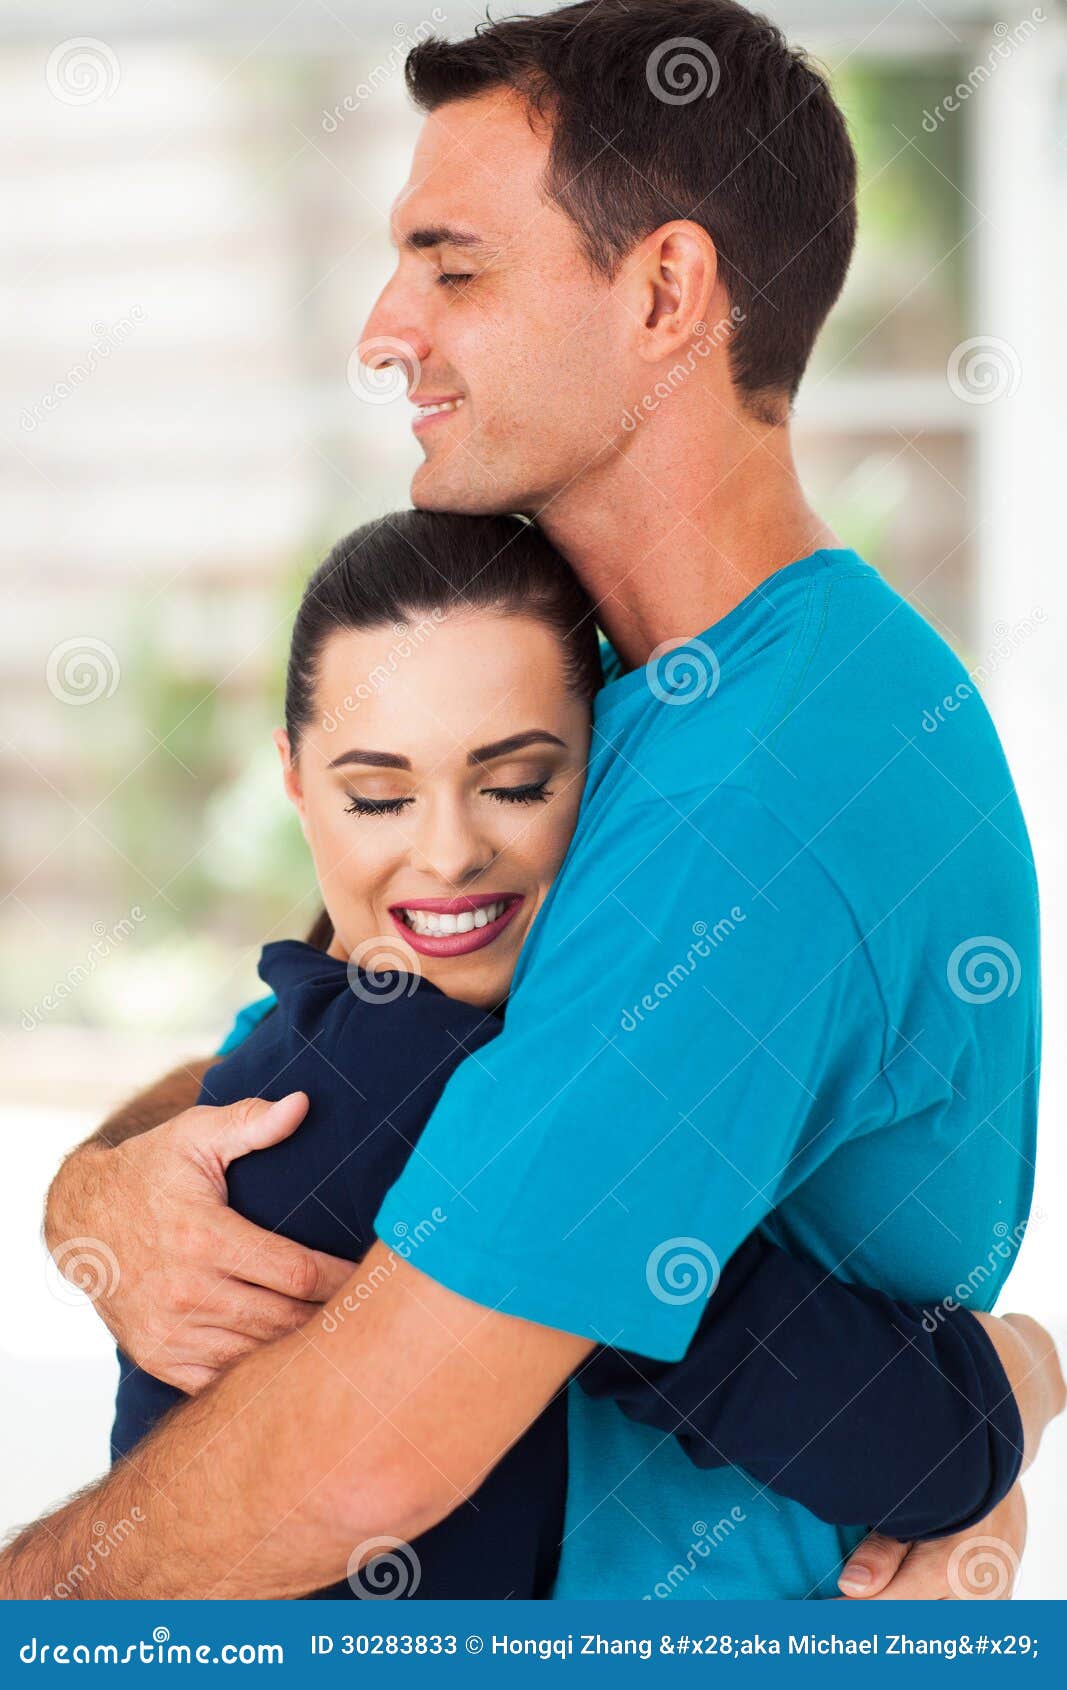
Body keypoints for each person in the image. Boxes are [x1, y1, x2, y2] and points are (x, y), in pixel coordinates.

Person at [7, 0, 1061, 1600]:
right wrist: (98, 1183)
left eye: (453, 269)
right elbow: (351, 1038)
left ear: (662, 294)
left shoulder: (753, 796)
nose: (383, 329)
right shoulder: (615, 699)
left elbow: (358, 1459)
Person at [110, 511, 1027, 1599]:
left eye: (514, 783)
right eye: (379, 796)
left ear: (608, 778)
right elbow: (922, 1448)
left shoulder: (311, 1027)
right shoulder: (423, 1092)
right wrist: (1031, 1367)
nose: (449, 853)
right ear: (295, 782)